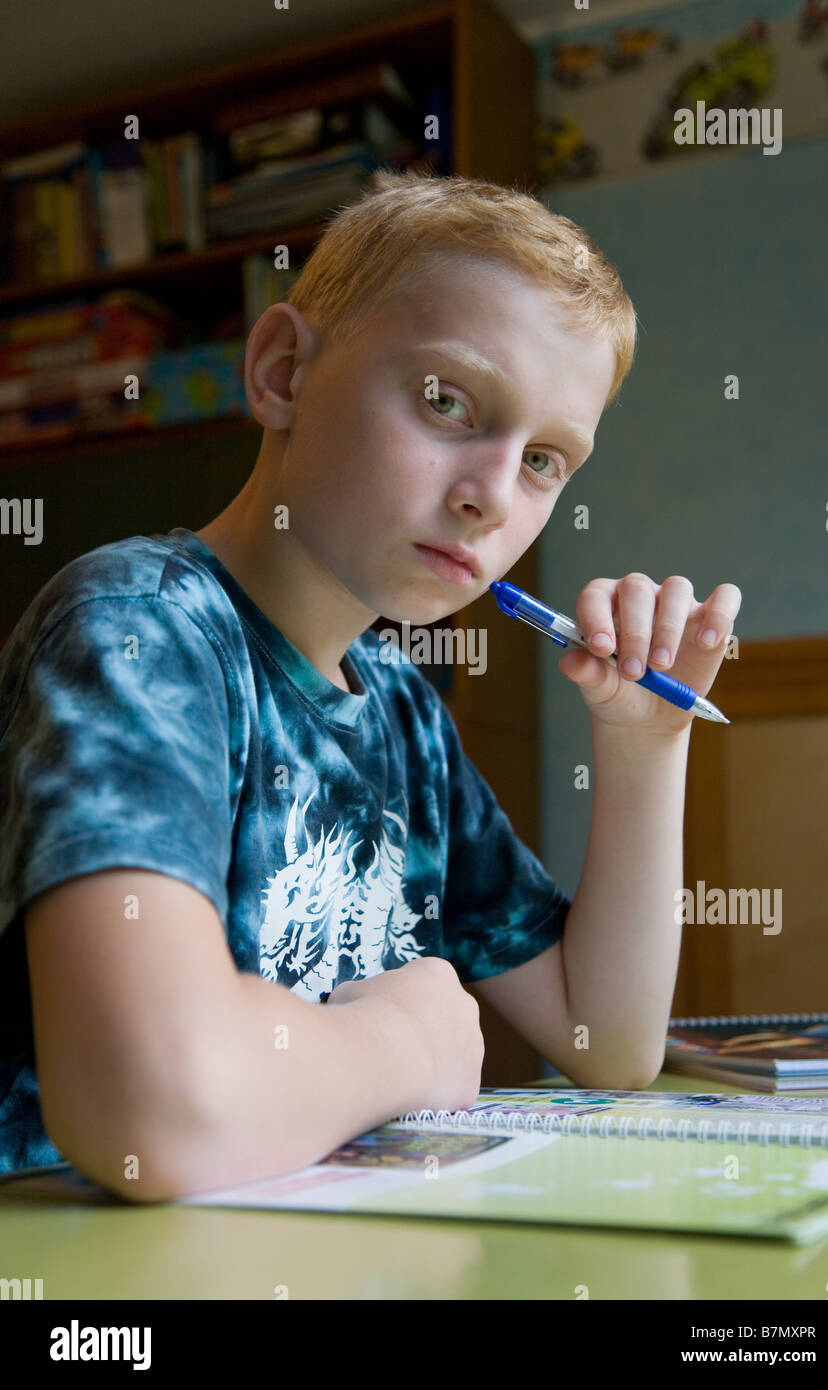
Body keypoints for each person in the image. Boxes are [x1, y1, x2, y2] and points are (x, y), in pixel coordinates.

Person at [0, 170, 740, 1202]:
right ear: (281, 372)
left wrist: (643, 743)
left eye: (542, 461)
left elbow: (602, 1038)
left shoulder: (398, 711)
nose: (490, 494)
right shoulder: (140, 633)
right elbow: (146, 1109)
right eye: (447, 401)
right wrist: (404, 1040)